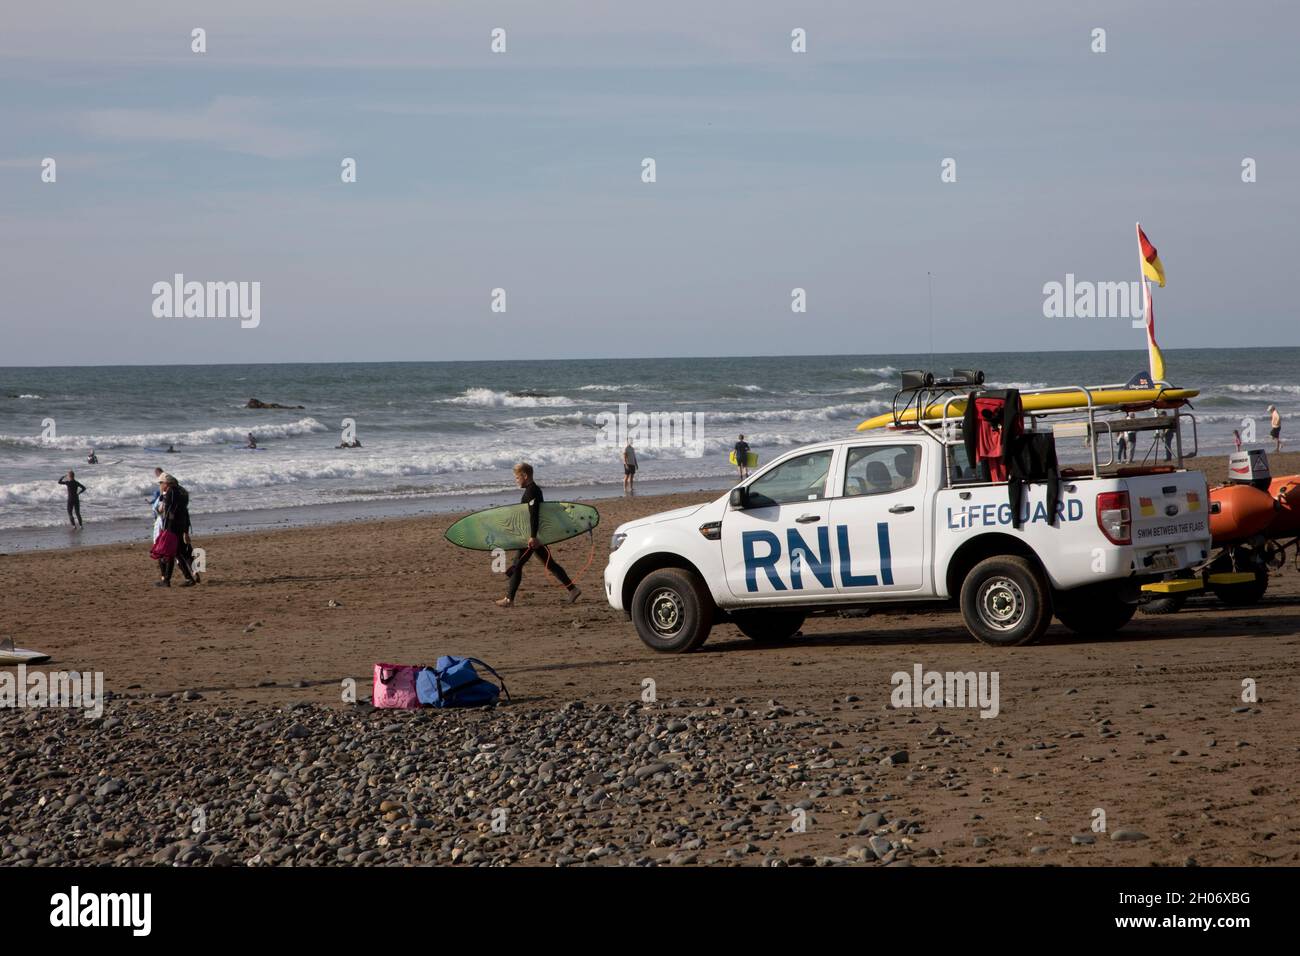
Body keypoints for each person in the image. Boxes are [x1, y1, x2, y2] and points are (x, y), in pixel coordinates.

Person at [495, 462, 580, 607]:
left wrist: (533, 536)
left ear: (525, 476)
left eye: (517, 477)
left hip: (532, 537)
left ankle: (509, 599)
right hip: (534, 535)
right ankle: (573, 589)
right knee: (550, 564)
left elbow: (534, 515)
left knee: (517, 565)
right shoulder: (532, 490)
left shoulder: (532, 491)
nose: (516, 480)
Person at [154, 473, 196, 587]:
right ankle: (189, 578)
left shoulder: (171, 492)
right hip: (181, 525)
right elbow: (184, 511)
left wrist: (165, 529)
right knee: (178, 553)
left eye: (161, 483)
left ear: (166, 483)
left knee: (170, 553)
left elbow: (168, 512)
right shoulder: (181, 491)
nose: (160, 485)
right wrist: (186, 530)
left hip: (172, 527)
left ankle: (166, 581)